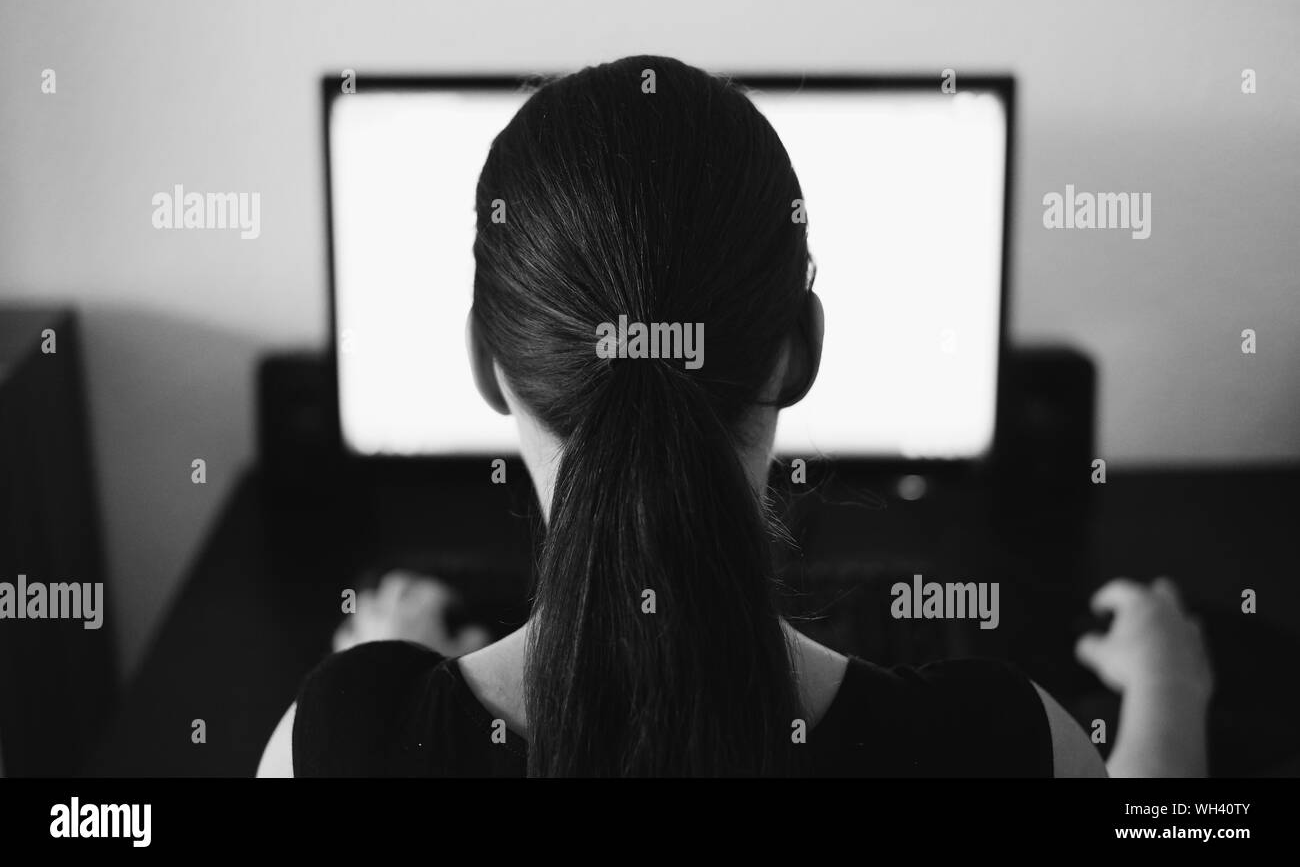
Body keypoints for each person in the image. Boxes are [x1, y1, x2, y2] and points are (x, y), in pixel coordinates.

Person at [258, 56, 1212, 777]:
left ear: (484, 361)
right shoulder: (998, 744)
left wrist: (399, 686)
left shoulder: (333, 743)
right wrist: (1171, 686)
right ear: (801, 348)